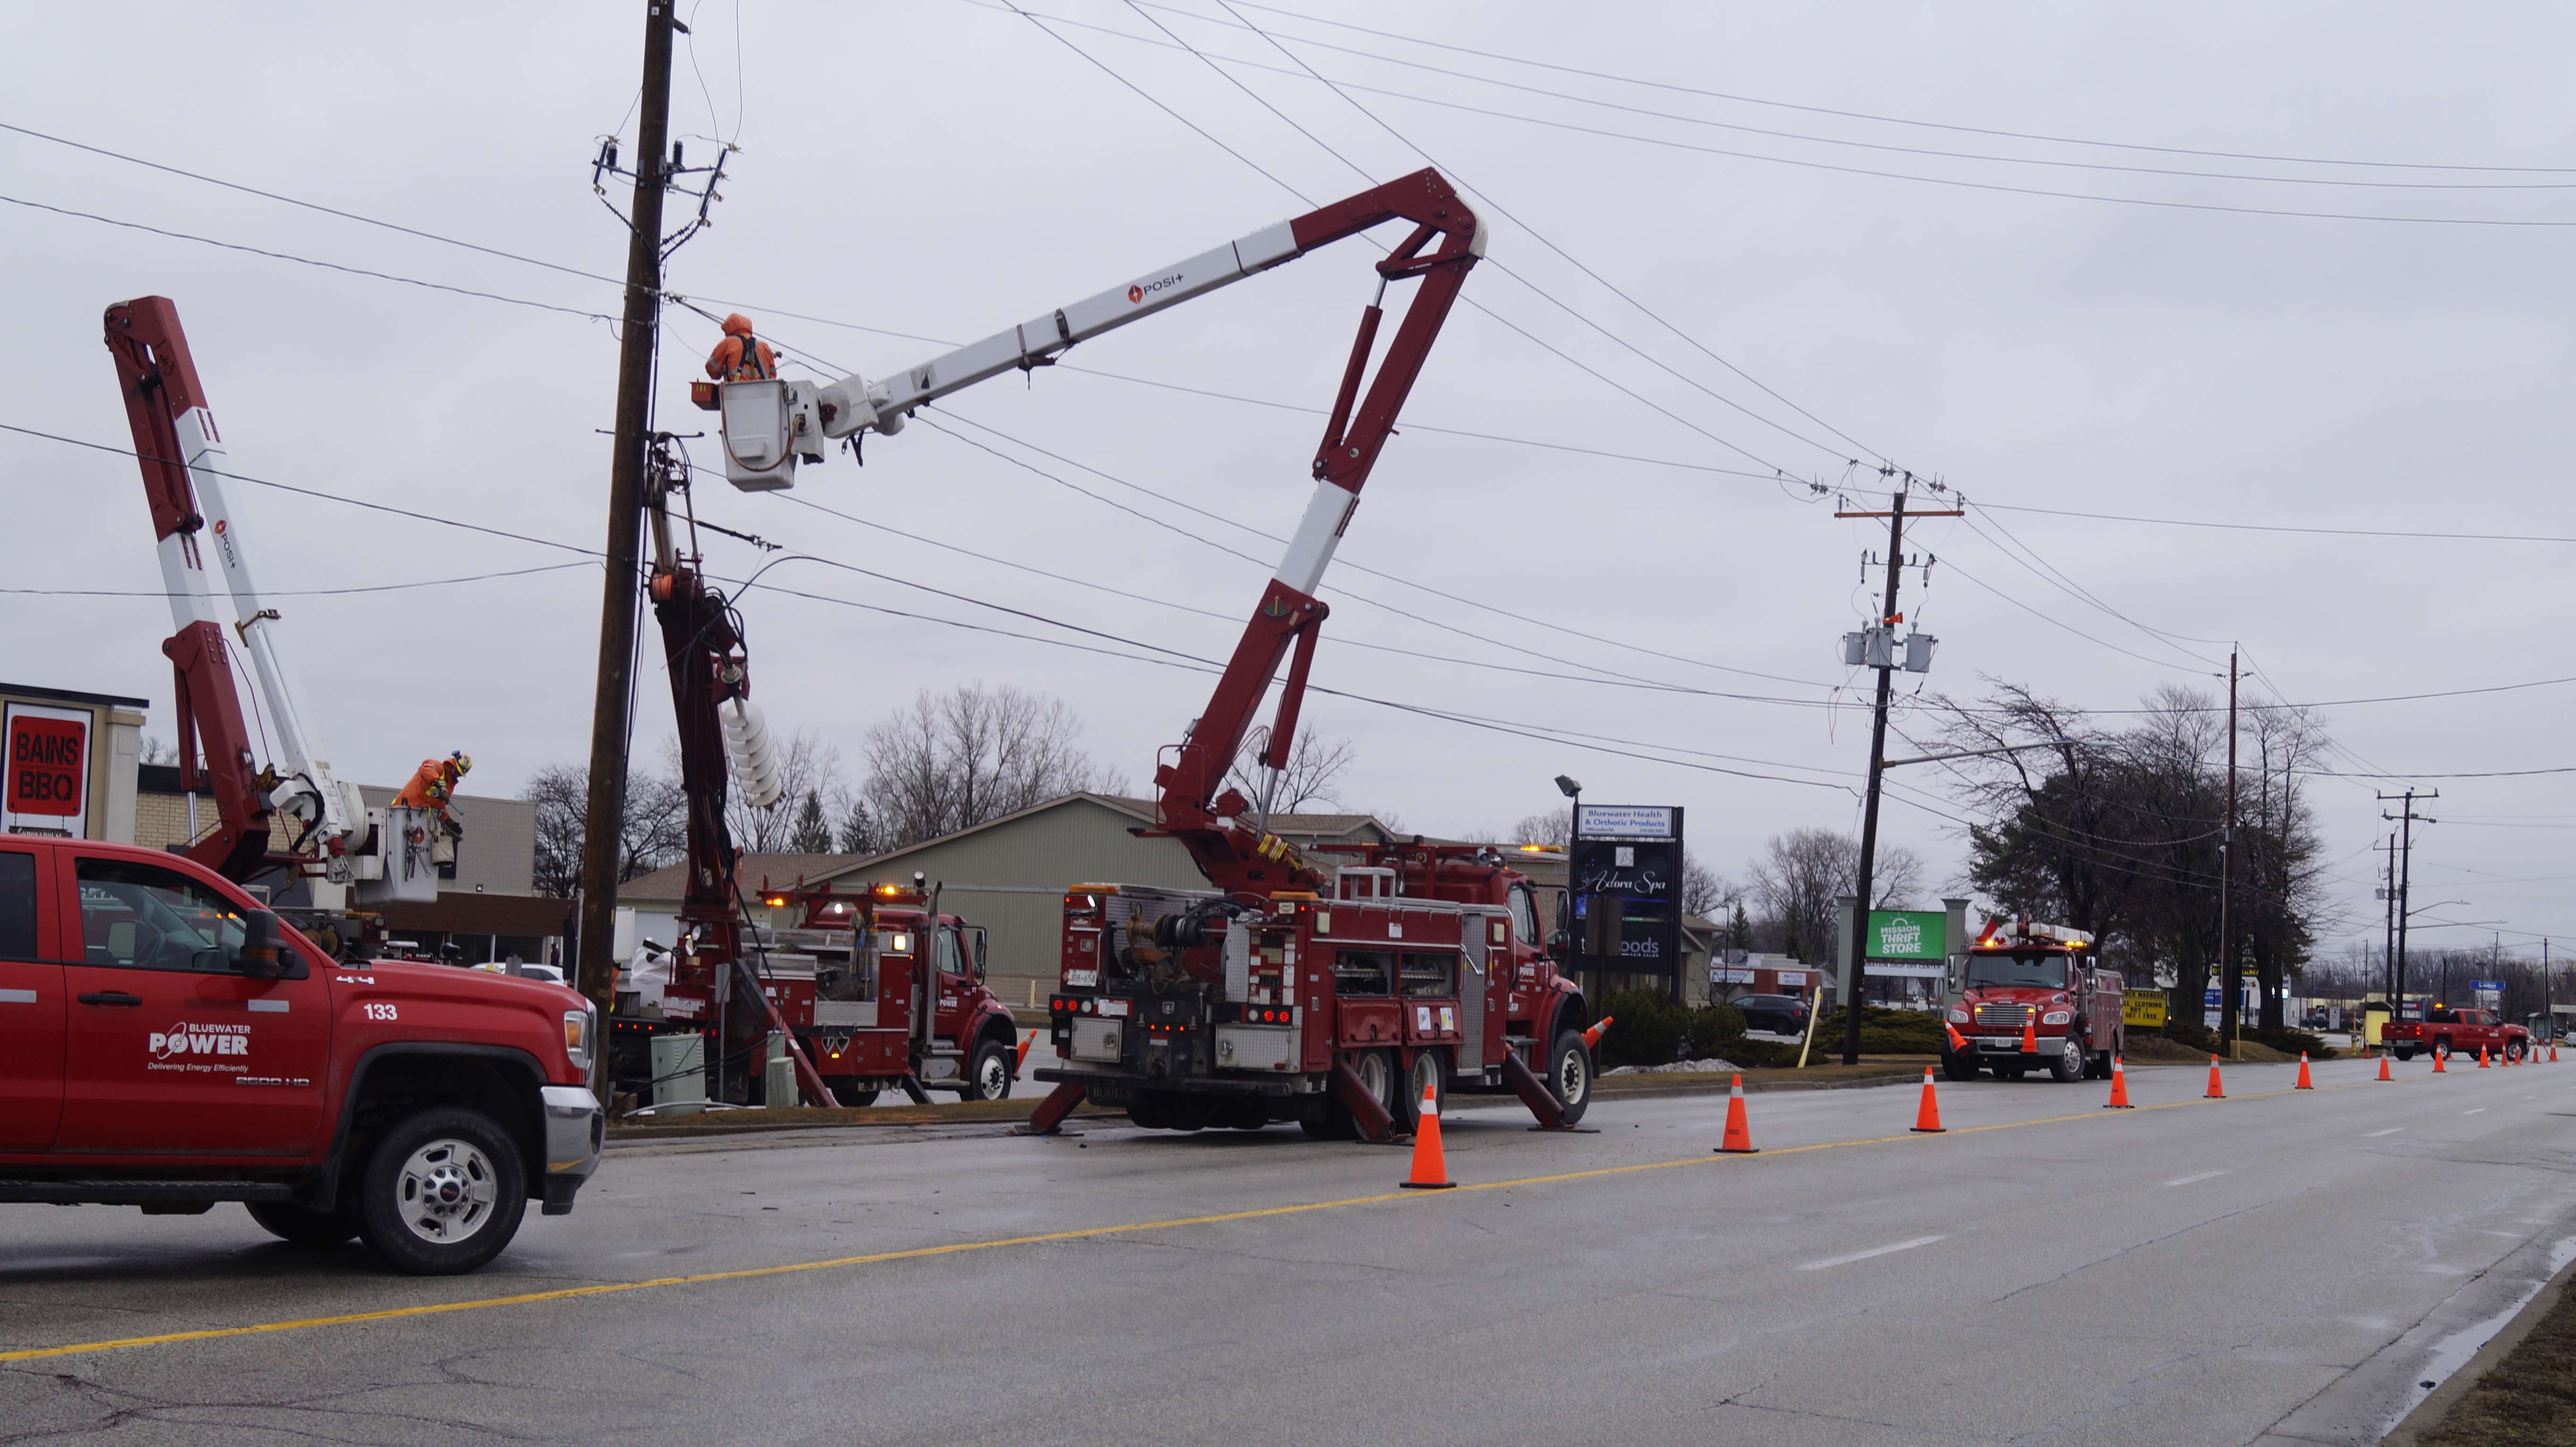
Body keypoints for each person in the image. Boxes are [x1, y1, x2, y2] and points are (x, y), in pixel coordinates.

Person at [392, 751, 471, 820]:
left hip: (417, 817)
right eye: (457, 772)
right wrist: (438, 783)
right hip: (400, 811)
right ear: (452, 765)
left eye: (460, 775)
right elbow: (427, 769)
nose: (457, 775)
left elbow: (439, 805)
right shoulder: (438, 767)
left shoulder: (449, 786)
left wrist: (447, 820)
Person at [704, 313, 776, 383]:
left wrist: (723, 371)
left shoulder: (729, 343)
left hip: (735, 392)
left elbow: (712, 369)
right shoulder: (764, 346)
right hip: (764, 392)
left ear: (730, 328)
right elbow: (773, 376)